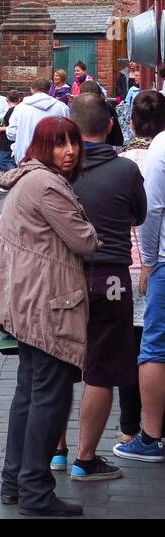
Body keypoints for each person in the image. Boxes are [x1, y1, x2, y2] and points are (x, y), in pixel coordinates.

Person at [0, 116, 99, 517]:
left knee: (29, 394)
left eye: (72, 143)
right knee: (48, 398)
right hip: (45, 304)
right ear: (42, 148)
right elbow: (84, 240)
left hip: (26, 301)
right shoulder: (47, 185)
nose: (69, 152)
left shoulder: (29, 180)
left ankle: (14, 481)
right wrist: (93, 228)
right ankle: (35, 491)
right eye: (59, 145)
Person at [45, 94, 145, 483]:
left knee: (59, 366)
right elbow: (138, 213)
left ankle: (56, 450)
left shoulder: (55, 172)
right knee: (100, 372)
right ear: (109, 126)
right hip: (111, 279)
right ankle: (86, 460)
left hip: (62, 276)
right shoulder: (125, 170)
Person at [115, 90, 165, 465]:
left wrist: (147, 261)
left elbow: (150, 214)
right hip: (147, 264)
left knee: (143, 349)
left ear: (131, 121)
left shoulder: (128, 161)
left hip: (137, 266)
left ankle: (138, 430)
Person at [6, 75, 70, 165]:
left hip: (25, 156)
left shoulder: (20, 108)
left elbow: (11, 134)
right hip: (53, 157)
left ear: (31, 89)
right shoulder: (62, 108)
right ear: (49, 90)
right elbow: (67, 133)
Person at [0, 90, 23, 171]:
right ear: (19, 99)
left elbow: (13, 127)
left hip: (8, 139)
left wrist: (1, 128)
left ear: (7, 99)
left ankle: (14, 174)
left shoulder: (13, 110)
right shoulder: (18, 110)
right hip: (14, 139)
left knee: (4, 159)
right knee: (12, 159)